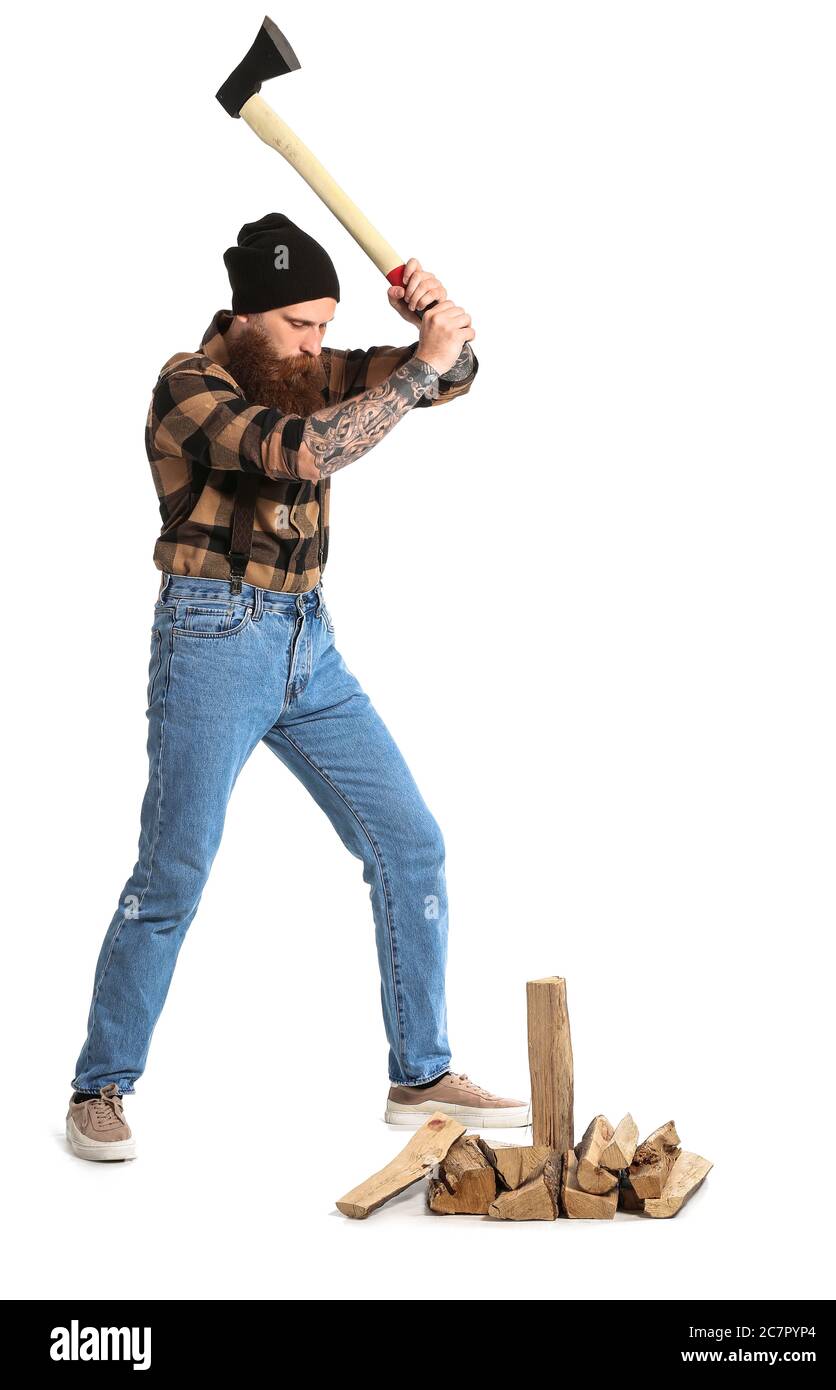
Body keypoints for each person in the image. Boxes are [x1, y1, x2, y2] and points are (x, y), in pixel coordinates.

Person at [65, 213, 530, 1162]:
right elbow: (302, 451)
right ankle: (99, 1087)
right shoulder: (187, 384)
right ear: (244, 316)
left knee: (412, 845)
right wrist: (411, 371)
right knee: (174, 875)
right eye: (299, 326)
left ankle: (422, 1070)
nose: (316, 345)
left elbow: (455, 380)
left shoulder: (307, 370)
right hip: (212, 637)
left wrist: (435, 327)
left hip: (308, 642)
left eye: (325, 326)